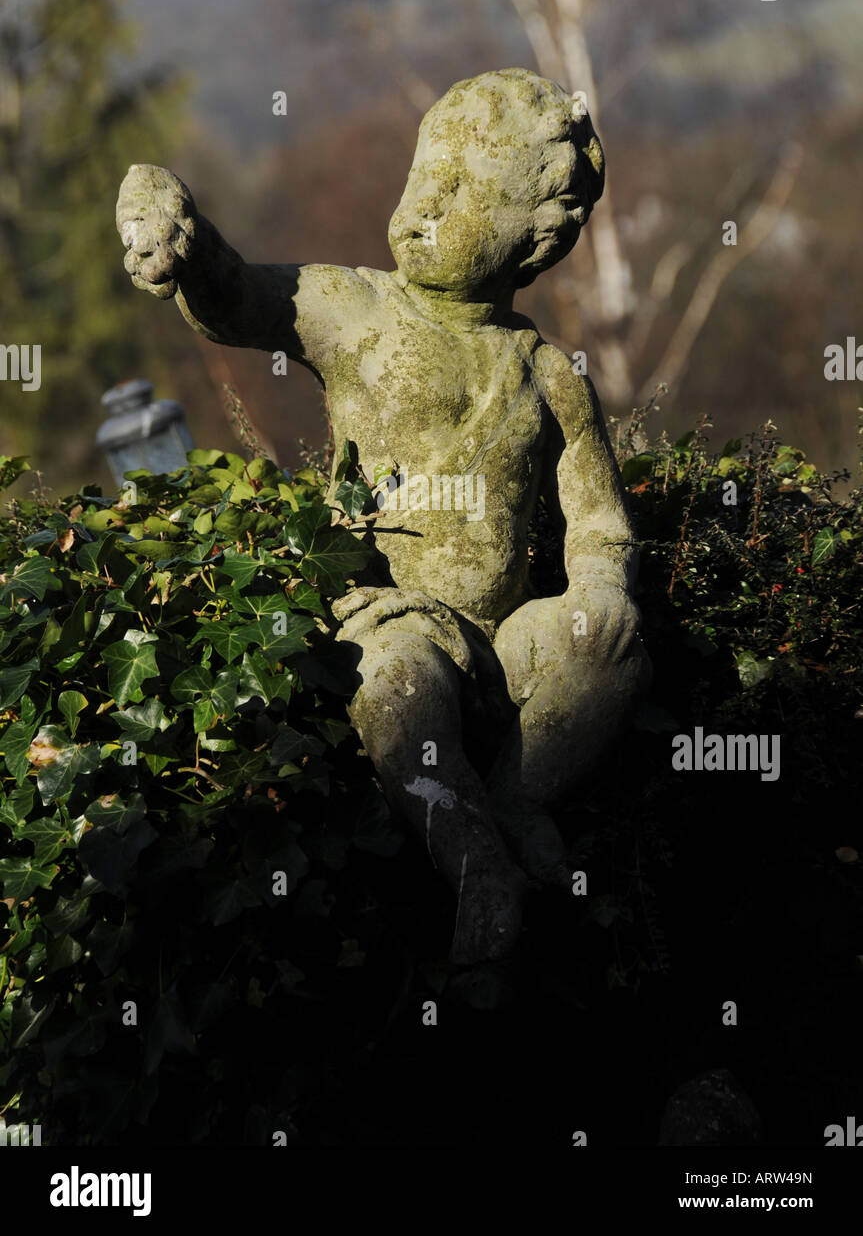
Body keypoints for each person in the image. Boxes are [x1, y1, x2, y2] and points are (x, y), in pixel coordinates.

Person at [116, 67, 650, 964]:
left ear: (535, 237)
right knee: (394, 681)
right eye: (420, 178)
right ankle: (474, 856)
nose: (420, 207)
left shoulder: (545, 370)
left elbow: (598, 522)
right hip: (396, 622)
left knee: (611, 634)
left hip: (509, 644)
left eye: (456, 190)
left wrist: (596, 593)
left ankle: (515, 798)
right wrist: (178, 230)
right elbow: (241, 298)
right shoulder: (353, 306)